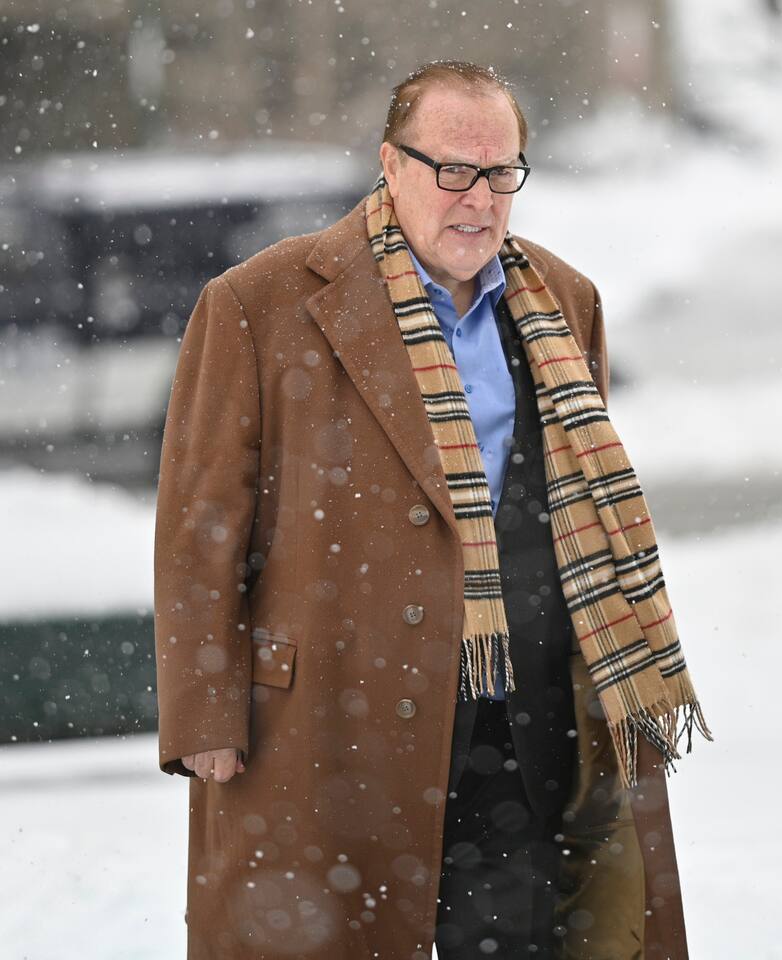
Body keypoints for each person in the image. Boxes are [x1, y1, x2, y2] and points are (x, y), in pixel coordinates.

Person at [154, 60, 710, 960]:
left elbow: (578, 516)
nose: (478, 198)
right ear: (390, 163)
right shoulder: (261, 305)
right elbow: (199, 532)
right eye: (452, 169)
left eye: (501, 173)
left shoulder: (565, 302)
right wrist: (202, 718)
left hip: (532, 728)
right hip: (338, 724)